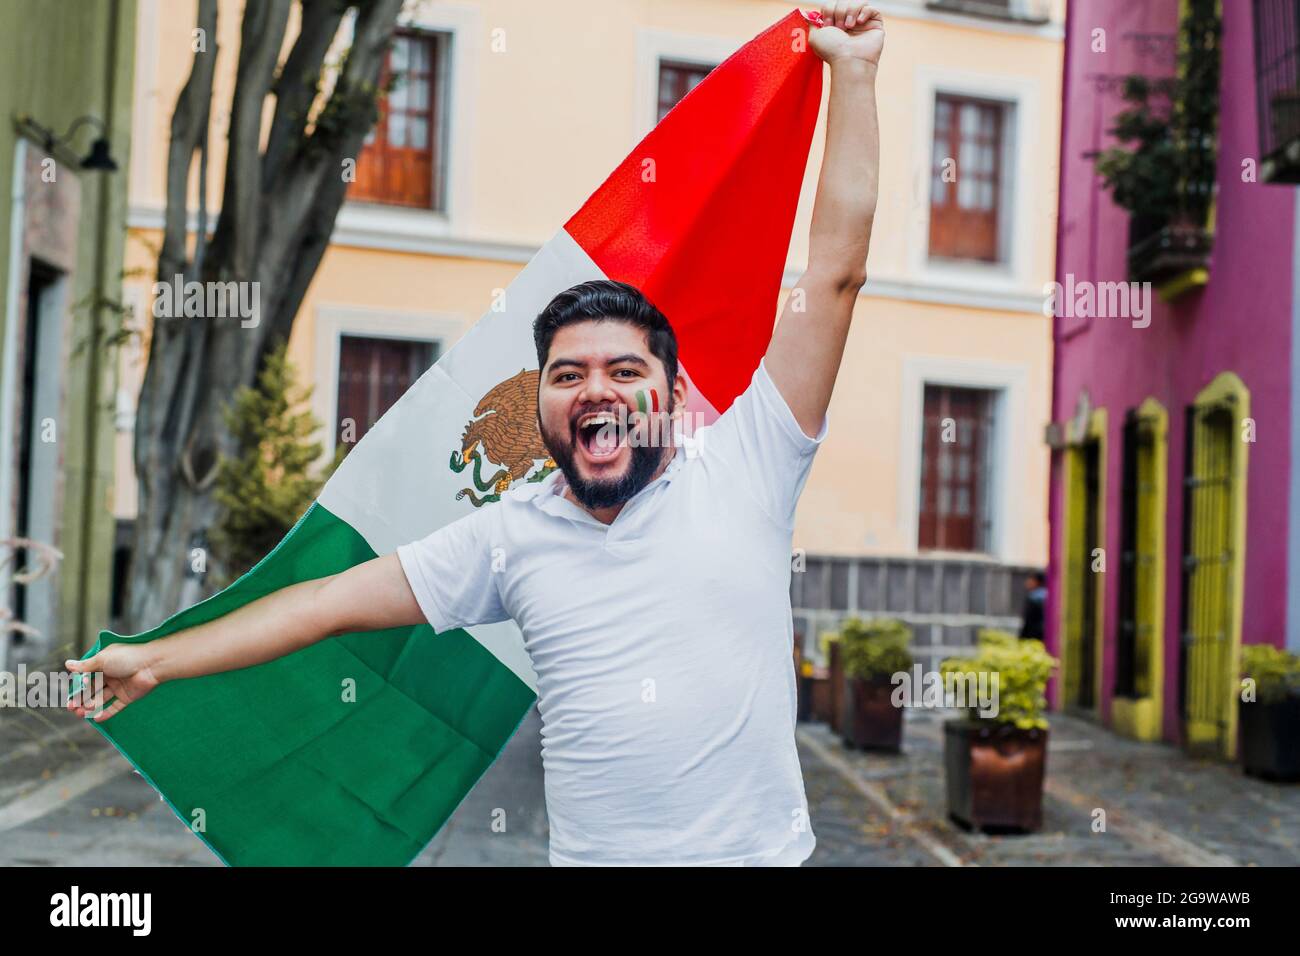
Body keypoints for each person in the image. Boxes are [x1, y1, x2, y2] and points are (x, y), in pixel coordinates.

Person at [66, 3, 884, 867]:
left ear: (674, 393)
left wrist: (853, 75)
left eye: (625, 371)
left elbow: (834, 275)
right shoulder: (509, 534)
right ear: (539, 406)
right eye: (568, 376)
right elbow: (319, 605)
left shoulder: (750, 461)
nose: (596, 391)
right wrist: (158, 659)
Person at [1020, 571, 1047, 640]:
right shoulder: (1047, 595)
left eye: (1030, 580)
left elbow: (1028, 621)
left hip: (1034, 635)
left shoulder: (1034, 598)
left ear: (1037, 582)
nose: (1027, 582)